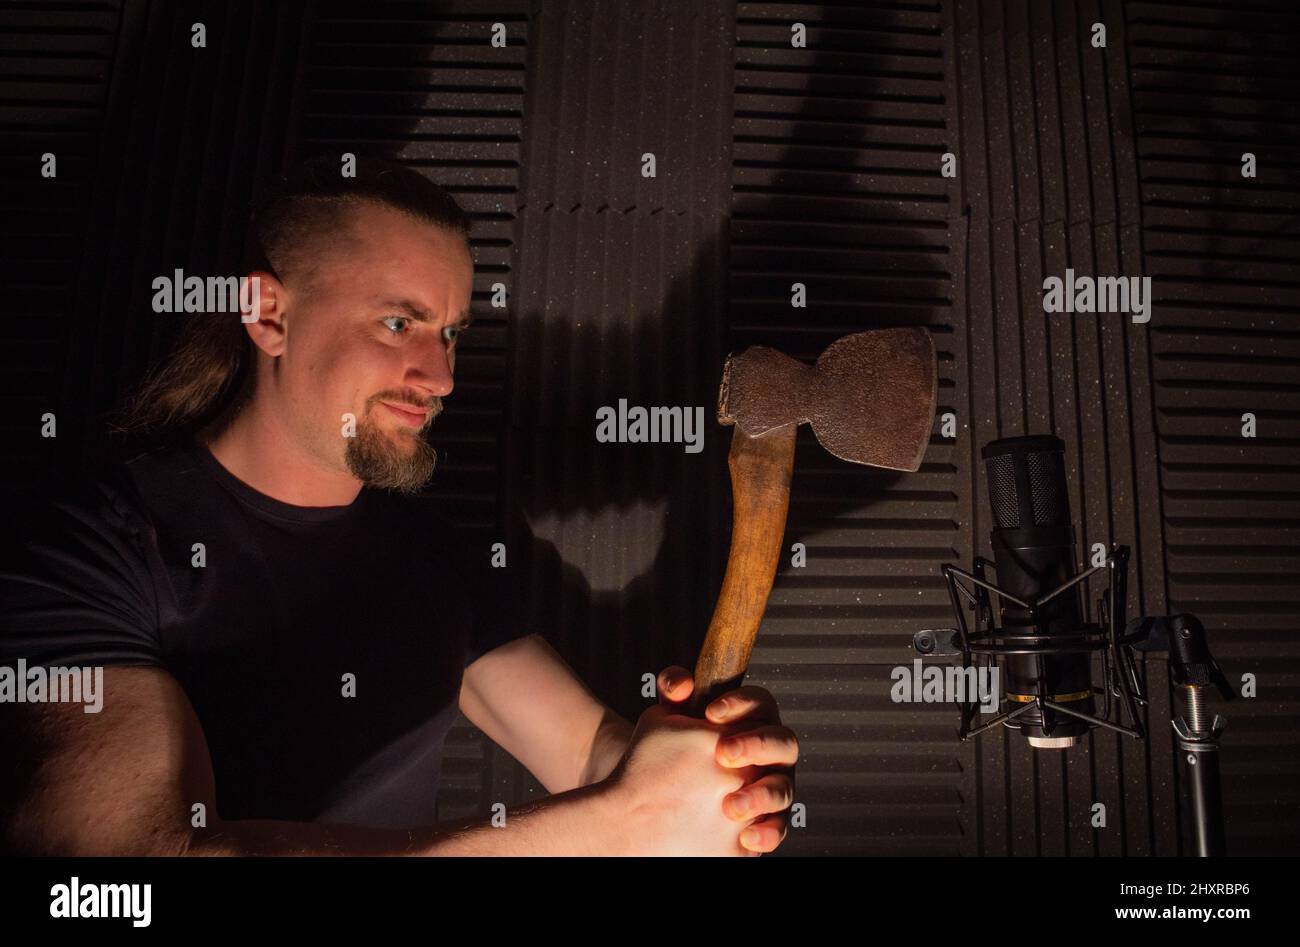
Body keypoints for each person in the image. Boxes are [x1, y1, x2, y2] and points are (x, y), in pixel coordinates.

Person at [0, 155, 797, 856]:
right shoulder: (87, 553)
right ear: (268, 314)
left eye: (449, 332)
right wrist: (622, 822)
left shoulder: (436, 557)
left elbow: (599, 765)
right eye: (398, 322)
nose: (441, 374)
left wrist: (707, 774)